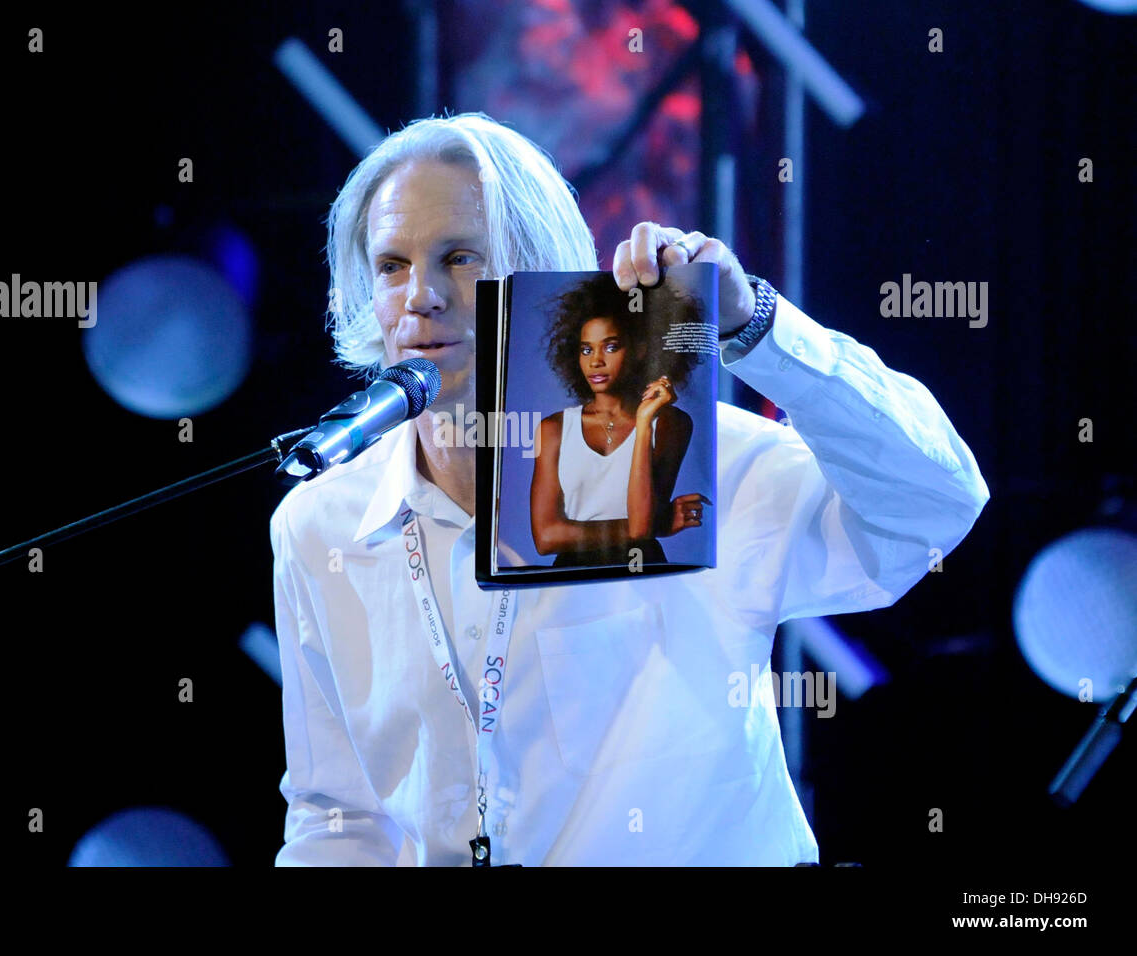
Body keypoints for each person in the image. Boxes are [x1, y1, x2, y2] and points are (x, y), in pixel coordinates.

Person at [270, 111, 989, 865]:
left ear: (540, 269)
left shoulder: (689, 462)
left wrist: (758, 331)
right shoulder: (320, 523)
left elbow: (932, 505)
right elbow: (338, 818)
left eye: (457, 257)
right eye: (390, 264)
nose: (420, 296)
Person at [531, 273, 706, 567]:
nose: (595, 361)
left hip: (641, 569)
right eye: (587, 349)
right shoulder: (554, 429)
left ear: (640, 349)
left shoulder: (670, 423)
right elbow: (546, 537)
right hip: (570, 578)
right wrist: (657, 525)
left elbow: (640, 527)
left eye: (611, 346)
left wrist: (643, 421)